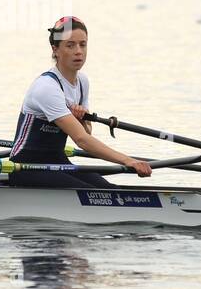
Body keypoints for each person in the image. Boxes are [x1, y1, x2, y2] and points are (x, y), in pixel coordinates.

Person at [9, 17, 152, 188]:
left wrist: (80, 120)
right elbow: (81, 140)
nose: (78, 51)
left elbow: (86, 132)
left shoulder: (82, 82)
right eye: (70, 45)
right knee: (94, 194)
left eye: (82, 44)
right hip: (25, 167)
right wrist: (128, 161)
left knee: (110, 191)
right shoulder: (46, 87)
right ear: (55, 50)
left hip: (57, 161)